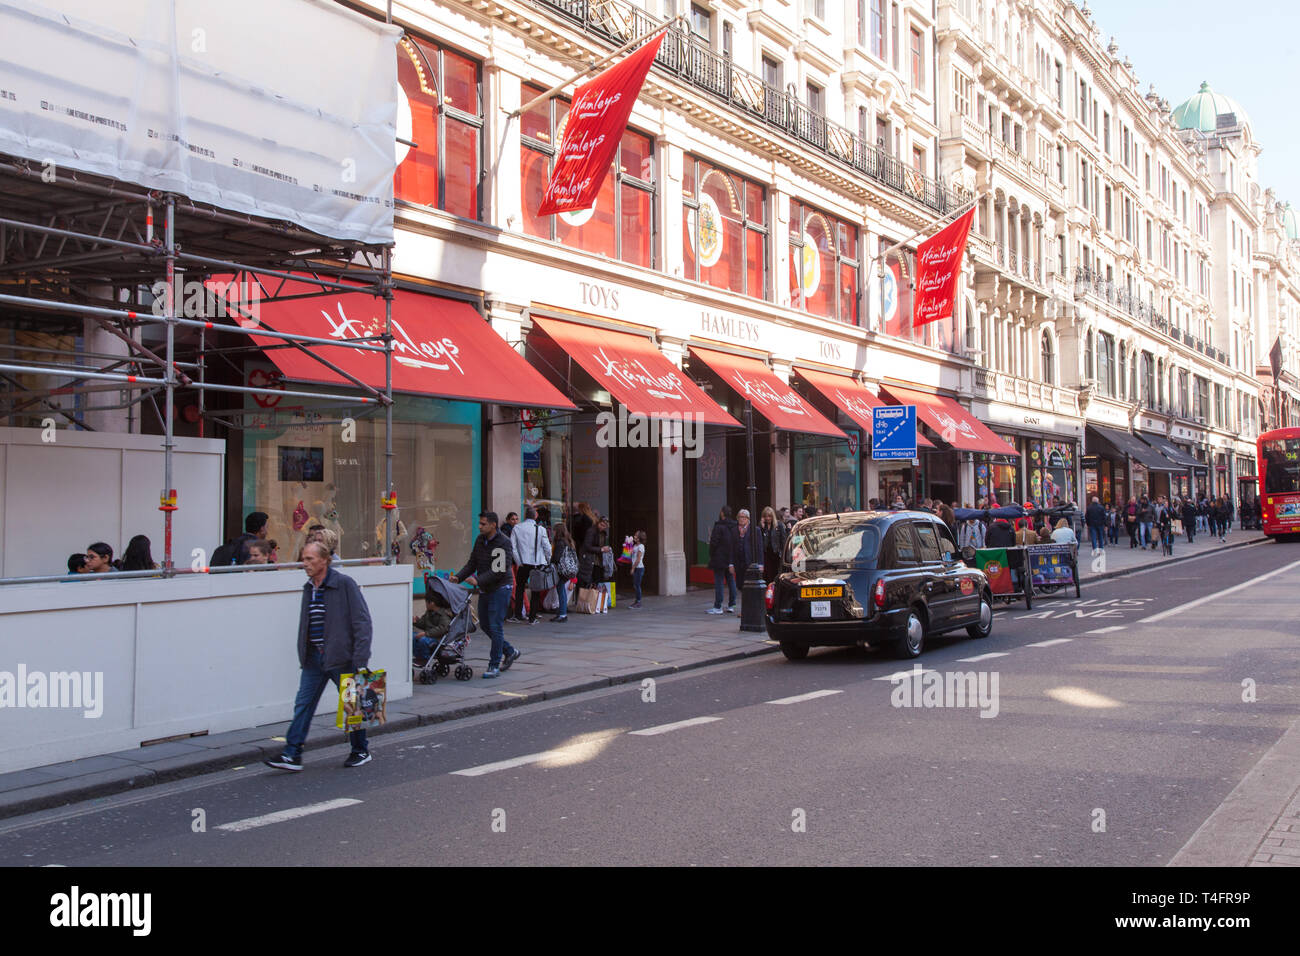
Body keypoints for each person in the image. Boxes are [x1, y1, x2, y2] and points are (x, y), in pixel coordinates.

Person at [265, 541, 373, 771]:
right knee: (303, 704)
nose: (305, 564)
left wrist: (361, 659)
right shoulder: (309, 587)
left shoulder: (344, 584)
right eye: (304, 559)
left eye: (310, 559)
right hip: (314, 658)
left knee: (351, 705)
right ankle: (292, 754)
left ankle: (360, 750)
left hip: (341, 657)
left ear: (324, 560)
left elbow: (362, 621)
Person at [450, 511, 520, 679]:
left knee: (495, 626)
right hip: (486, 587)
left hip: (501, 587)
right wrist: (458, 577)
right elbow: (472, 562)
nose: (479, 527)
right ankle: (510, 651)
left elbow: (499, 570)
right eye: (480, 523)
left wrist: (478, 580)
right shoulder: (480, 540)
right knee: (486, 625)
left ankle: (493, 665)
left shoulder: (503, 542)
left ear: (493, 525)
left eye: (483, 524)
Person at [509, 506, 551, 624]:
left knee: (519, 588)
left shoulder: (517, 528)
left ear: (524, 515)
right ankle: (532, 617)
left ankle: (518, 614)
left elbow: (513, 547)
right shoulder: (540, 529)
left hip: (523, 563)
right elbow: (547, 547)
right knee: (535, 590)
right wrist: (548, 560)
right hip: (537, 563)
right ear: (535, 516)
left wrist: (518, 561)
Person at [707, 505, 738, 614]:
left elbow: (714, 542)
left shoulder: (719, 526)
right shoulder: (735, 526)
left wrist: (711, 553)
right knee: (731, 580)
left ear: (722, 513)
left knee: (719, 582)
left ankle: (718, 606)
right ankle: (731, 605)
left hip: (719, 557)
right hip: (730, 558)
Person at [412, 588, 453, 665]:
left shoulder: (443, 614)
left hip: (437, 638)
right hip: (429, 635)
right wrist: (416, 622)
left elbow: (442, 628)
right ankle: (418, 657)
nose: (426, 604)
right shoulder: (429, 613)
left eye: (426, 603)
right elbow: (423, 624)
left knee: (422, 640)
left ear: (432, 603)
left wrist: (426, 633)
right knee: (412, 636)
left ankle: (424, 658)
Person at [550, 523, 577, 623]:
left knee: (560, 591)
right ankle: (562, 612)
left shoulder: (560, 543)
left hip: (562, 570)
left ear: (557, 531)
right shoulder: (568, 541)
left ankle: (562, 614)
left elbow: (556, 558)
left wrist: (550, 562)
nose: (553, 532)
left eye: (554, 530)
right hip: (568, 570)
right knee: (562, 591)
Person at [734, 508, 761, 591]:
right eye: (739, 517)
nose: (741, 519)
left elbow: (759, 547)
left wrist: (761, 563)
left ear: (748, 519)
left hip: (750, 562)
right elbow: (732, 547)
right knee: (740, 585)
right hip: (738, 562)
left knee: (750, 586)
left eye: (743, 517)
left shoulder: (755, 530)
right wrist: (731, 563)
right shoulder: (734, 530)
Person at [759, 506, 786, 583]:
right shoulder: (762, 526)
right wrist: (762, 527)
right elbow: (760, 539)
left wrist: (782, 552)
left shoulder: (779, 525)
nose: (768, 518)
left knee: (775, 573)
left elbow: (783, 540)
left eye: (769, 516)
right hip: (766, 553)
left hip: (776, 553)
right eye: (765, 516)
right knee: (767, 573)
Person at [629, 530, 646, 608]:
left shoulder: (641, 546)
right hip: (636, 567)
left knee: (637, 585)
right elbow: (629, 554)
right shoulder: (635, 546)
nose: (634, 536)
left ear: (639, 538)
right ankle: (637, 601)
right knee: (635, 585)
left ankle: (638, 602)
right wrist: (628, 544)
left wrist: (633, 568)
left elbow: (638, 559)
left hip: (639, 568)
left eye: (636, 535)